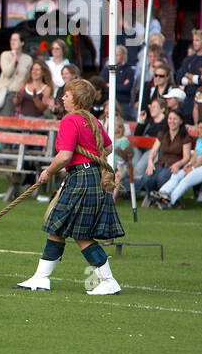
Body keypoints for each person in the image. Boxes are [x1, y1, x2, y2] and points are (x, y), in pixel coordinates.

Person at [16, 78, 125, 296]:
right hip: (92, 177)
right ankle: (41, 278)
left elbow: (64, 156)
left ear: (75, 98)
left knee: (81, 234)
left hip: (81, 180)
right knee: (57, 229)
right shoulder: (92, 120)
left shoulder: (69, 120)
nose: (63, 98)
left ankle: (108, 280)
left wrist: (48, 172)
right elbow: (109, 147)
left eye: (66, 94)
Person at [151, 118, 202, 208]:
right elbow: (195, 156)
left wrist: (192, 168)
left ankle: (169, 201)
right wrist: (188, 165)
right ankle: (163, 193)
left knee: (187, 179)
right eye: (198, 127)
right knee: (176, 174)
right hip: (198, 167)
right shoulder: (200, 139)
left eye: (200, 128)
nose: (198, 130)